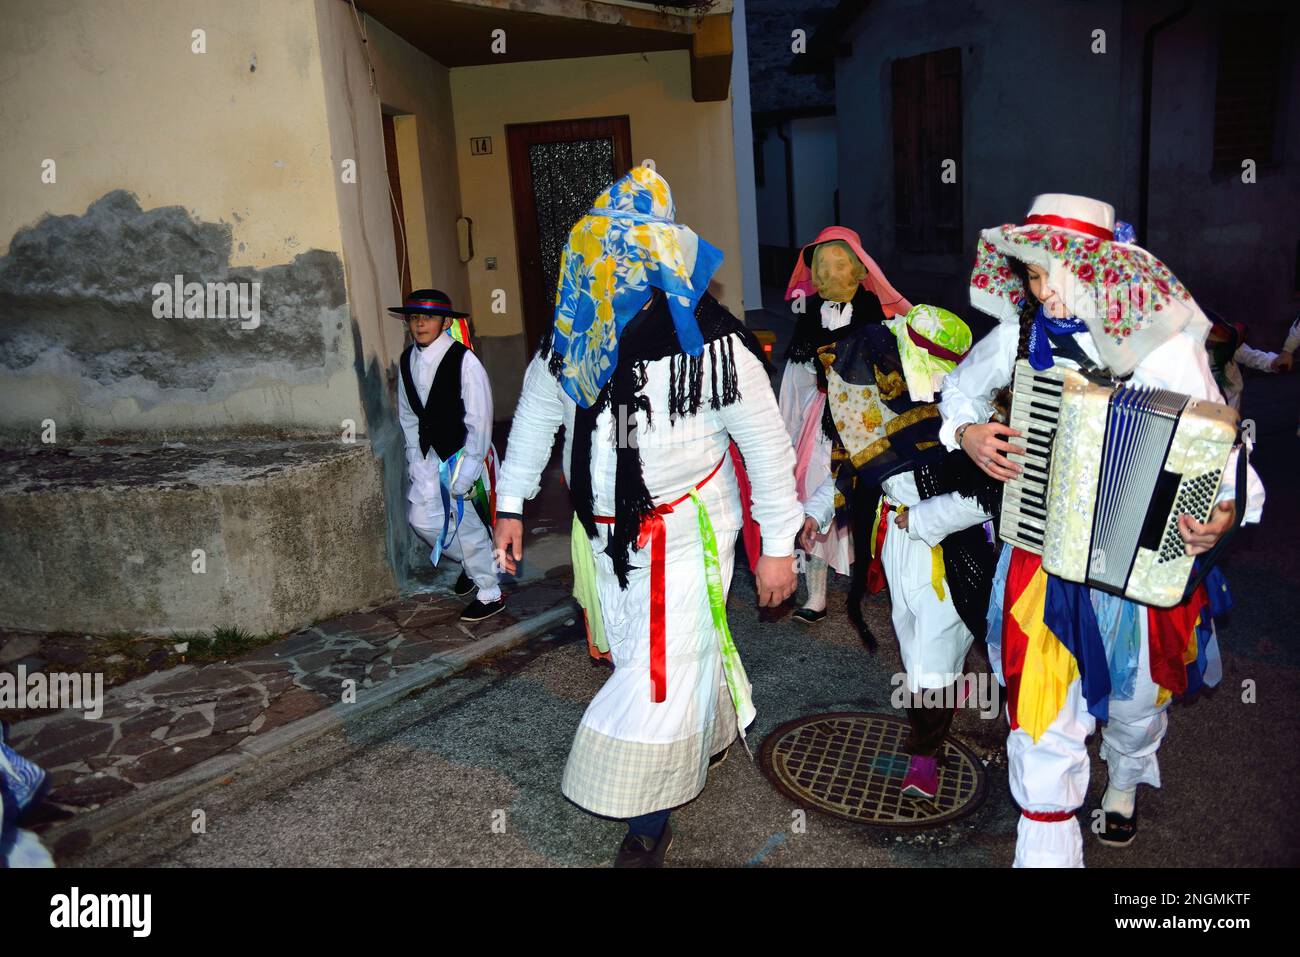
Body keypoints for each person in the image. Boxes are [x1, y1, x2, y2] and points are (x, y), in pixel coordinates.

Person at [941, 194, 1265, 866]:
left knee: (1135, 702)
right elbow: (959, 390)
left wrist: (1228, 508)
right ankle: (1047, 840)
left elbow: (1221, 447)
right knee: (1041, 721)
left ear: (1104, 270)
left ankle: (1123, 778)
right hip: (1041, 554)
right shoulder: (1020, 337)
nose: (1046, 290)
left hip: (1138, 562)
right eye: (1034, 274)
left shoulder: (1164, 347)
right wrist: (967, 432)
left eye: (1061, 272)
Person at [493, 165, 803, 867]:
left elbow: (767, 445)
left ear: (655, 259)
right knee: (642, 651)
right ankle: (711, 734)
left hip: (688, 528)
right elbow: (539, 416)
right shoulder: (573, 333)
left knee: (656, 676)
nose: (609, 271)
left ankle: (646, 816)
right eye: (599, 257)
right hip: (601, 532)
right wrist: (509, 503)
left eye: (624, 257)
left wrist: (778, 546)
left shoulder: (716, 345)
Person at [807, 298, 998, 798]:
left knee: (937, 654)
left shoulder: (974, 412)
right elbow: (858, 466)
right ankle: (927, 725)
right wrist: (816, 511)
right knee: (911, 643)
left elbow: (992, 495)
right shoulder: (878, 397)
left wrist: (927, 518)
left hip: (949, 551)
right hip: (894, 539)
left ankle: (925, 753)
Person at [779, 227, 911, 622]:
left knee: (877, 496)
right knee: (815, 491)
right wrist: (785, 429)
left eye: (839, 263)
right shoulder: (808, 317)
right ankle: (815, 594)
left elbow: (898, 369)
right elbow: (798, 376)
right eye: (822, 264)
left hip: (870, 416)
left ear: (857, 268)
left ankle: (886, 578)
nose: (830, 272)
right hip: (820, 421)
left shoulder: (877, 312)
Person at [390, 289, 503, 622]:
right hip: (428, 457)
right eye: (414, 318)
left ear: (444, 322)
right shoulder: (406, 360)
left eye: (428, 317)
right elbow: (408, 415)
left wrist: (468, 469)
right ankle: (473, 562)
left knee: (468, 526)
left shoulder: (464, 361)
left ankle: (490, 591)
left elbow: (479, 419)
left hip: (462, 455)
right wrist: (415, 457)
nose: (420, 323)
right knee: (422, 521)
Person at [1203, 309, 1290, 411]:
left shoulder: (1228, 344)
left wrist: (1272, 362)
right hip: (1204, 401)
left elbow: (1251, 356)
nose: (1211, 342)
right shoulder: (1191, 350)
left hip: (1231, 400)